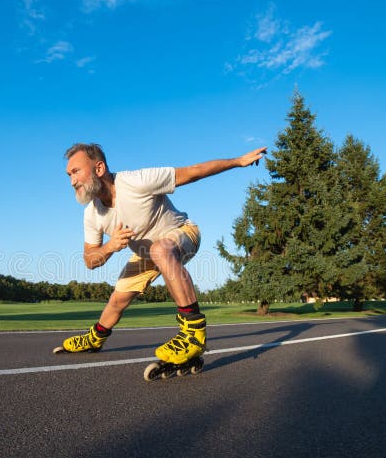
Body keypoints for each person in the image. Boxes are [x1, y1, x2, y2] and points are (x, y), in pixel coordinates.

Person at [59, 143, 267, 365]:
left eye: (76, 172)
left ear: (99, 168)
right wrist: (110, 246)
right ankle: (95, 338)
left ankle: (193, 332)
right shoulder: (92, 214)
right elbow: (90, 261)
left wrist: (238, 161)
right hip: (145, 253)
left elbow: (193, 172)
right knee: (117, 300)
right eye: (69, 175)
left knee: (160, 249)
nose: (72, 181)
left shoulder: (135, 181)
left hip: (181, 233)